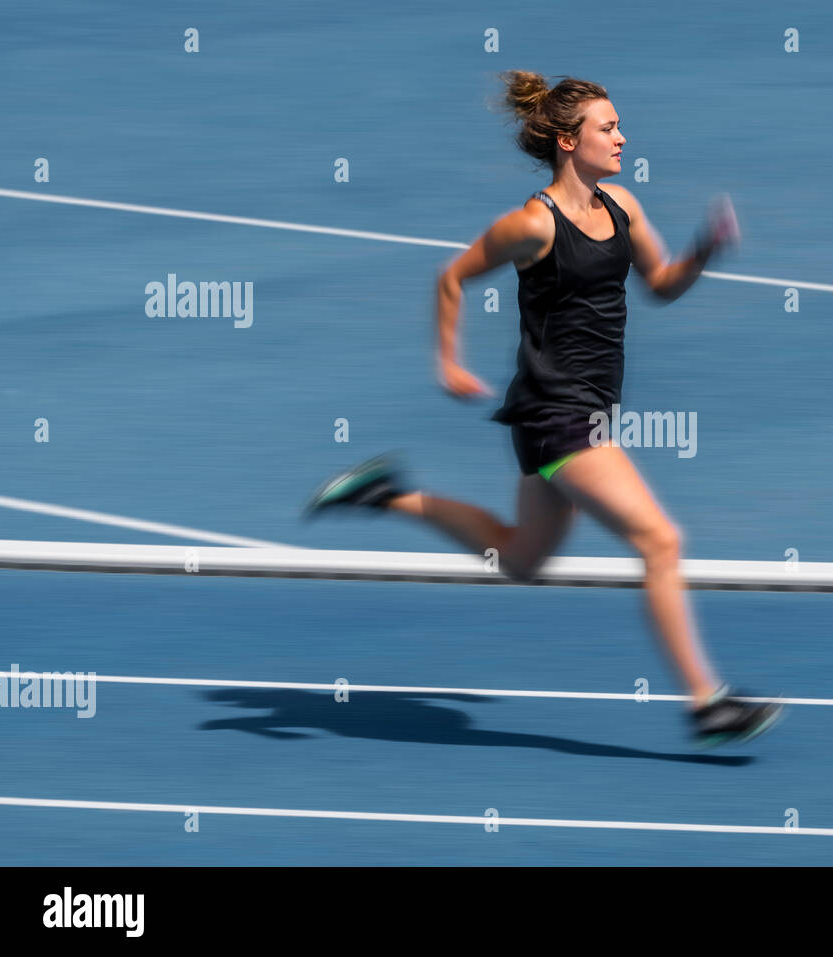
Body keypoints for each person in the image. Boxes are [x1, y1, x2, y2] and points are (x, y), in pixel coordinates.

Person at [305, 70, 782, 747]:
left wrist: (702, 250)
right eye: (607, 127)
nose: (622, 137)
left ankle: (383, 495)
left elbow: (663, 285)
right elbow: (453, 276)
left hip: (583, 410)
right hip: (558, 415)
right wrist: (448, 362)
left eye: (619, 125)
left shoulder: (624, 208)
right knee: (660, 540)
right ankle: (707, 701)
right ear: (567, 140)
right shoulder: (532, 224)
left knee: (521, 559)